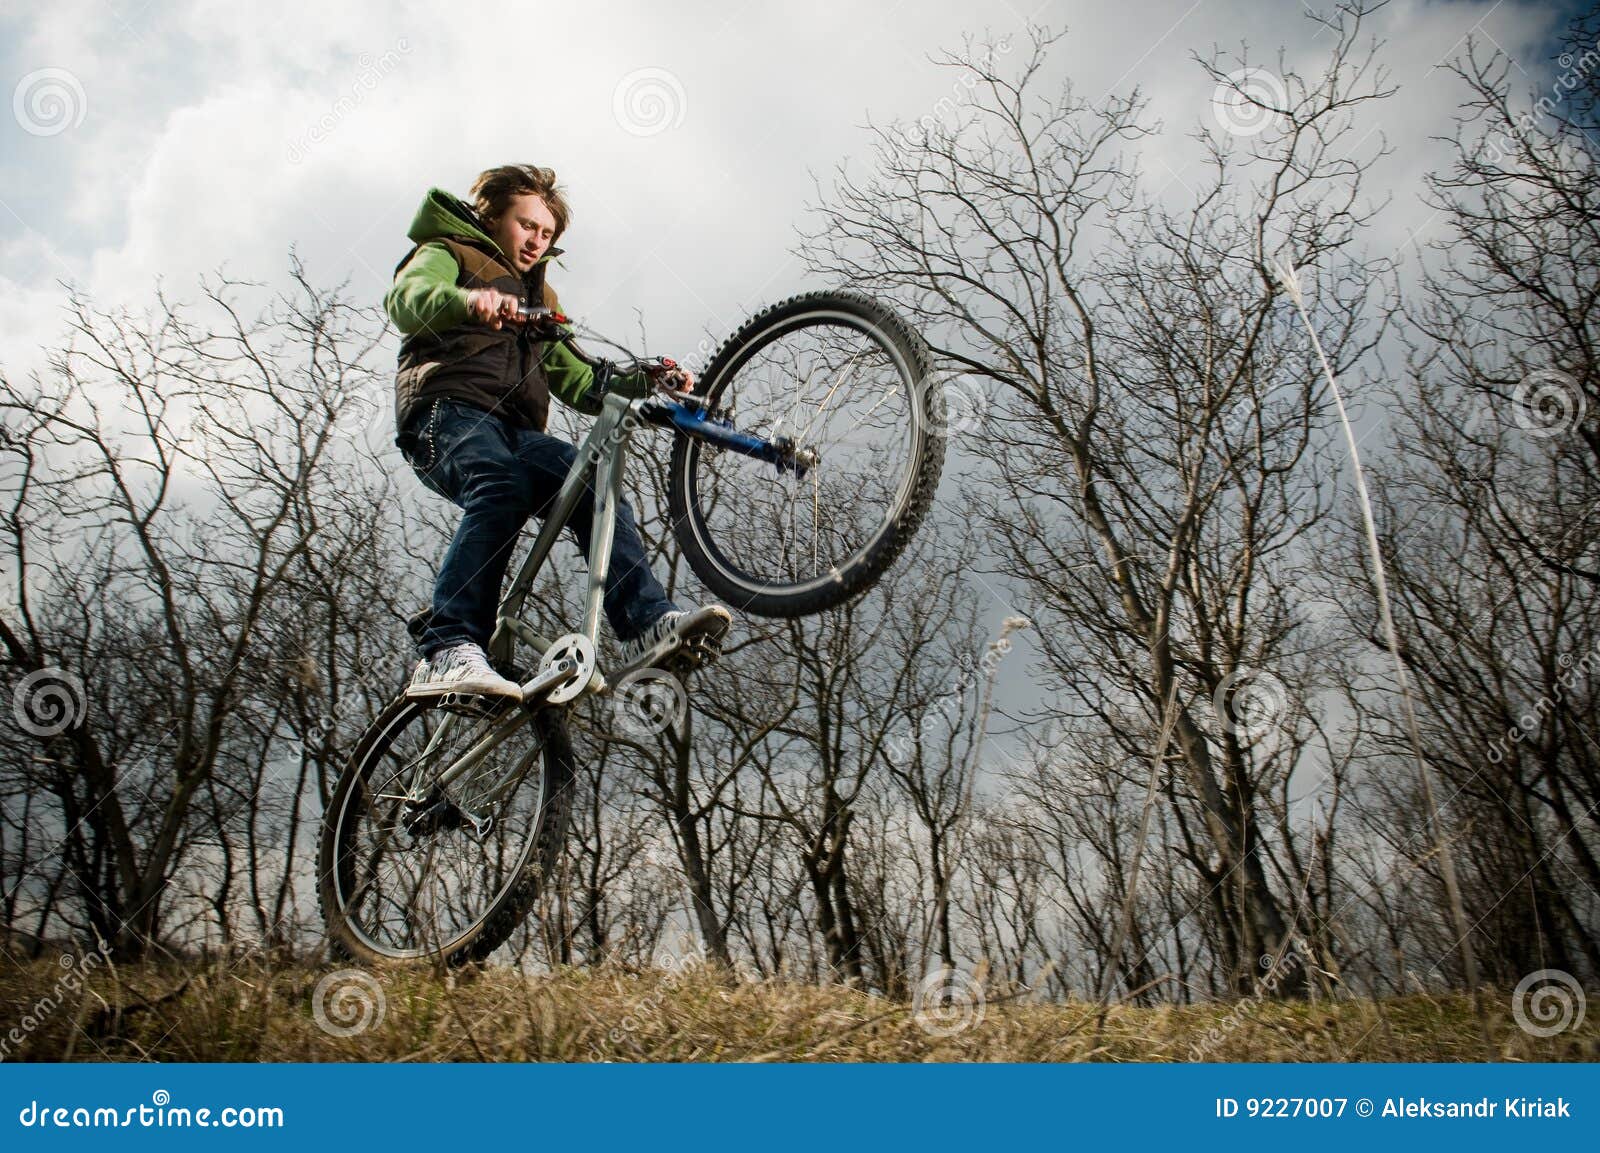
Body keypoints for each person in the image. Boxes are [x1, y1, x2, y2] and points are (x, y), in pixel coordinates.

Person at [385, 164, 730, 699]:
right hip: (443, 414)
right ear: (494, 217)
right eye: (526, 225)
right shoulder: (448, 250)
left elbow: (582, 380)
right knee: (499, 485)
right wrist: (470, 302)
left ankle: (645, 625)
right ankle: (448, 646)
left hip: (515, 432)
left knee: (591, 482)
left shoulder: (540, 296)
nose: (535, 240)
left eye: (545, 234)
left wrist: (646, 379)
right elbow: (407, 301)